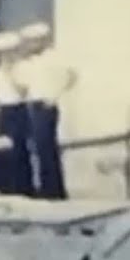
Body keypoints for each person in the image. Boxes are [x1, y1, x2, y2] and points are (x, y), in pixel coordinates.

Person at [16, 22, 76, 200]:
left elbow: (71, 77)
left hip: (46, 106)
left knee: (47, 148)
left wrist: (55, 96)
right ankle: (46, 186)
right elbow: (23, 83)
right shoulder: (30, 62)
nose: (30, 46)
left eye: (33, 42)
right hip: (34, 104)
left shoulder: (54, 58)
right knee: (40, 148)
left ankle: (53, 190)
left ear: (42, 41)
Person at [0, 31, 34, 196]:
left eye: (5, 52)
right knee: (4, 149)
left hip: (17, 109)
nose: (3, 56)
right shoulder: (0, 69)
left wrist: (11, 75)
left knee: (18, 149)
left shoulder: (19, 68)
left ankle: (22, 187)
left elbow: (23, 90)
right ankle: (6, 185)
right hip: (4, 109)